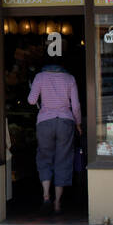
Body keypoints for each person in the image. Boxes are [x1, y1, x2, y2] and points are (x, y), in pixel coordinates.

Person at [28, 44, 82, 215]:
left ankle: (45, 195)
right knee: (63, 159)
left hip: (45, 122)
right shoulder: (70, 78)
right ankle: (58, 202)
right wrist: (78, 124)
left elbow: (31, 100)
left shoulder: (40, 77)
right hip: (65, 121)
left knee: (44, 157)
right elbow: (76, 106)